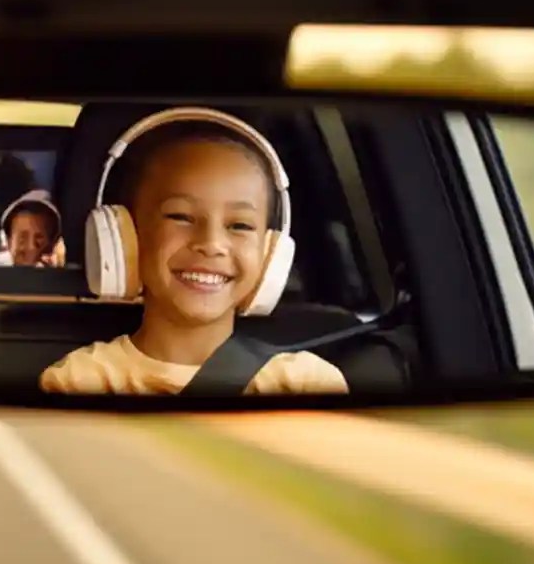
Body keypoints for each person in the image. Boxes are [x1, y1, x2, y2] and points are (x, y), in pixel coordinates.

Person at [40, 108, 348, 394]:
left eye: (240, 225)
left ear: (270, 254)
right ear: (125, 238)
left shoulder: (307, 382)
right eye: (180, 217)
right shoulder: (81, 379)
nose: (211, 244)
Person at [0, 189, 65, 268]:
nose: (31, 247)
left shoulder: (59, 273)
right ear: (9, 241)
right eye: (22, 238)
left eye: (39, 240)